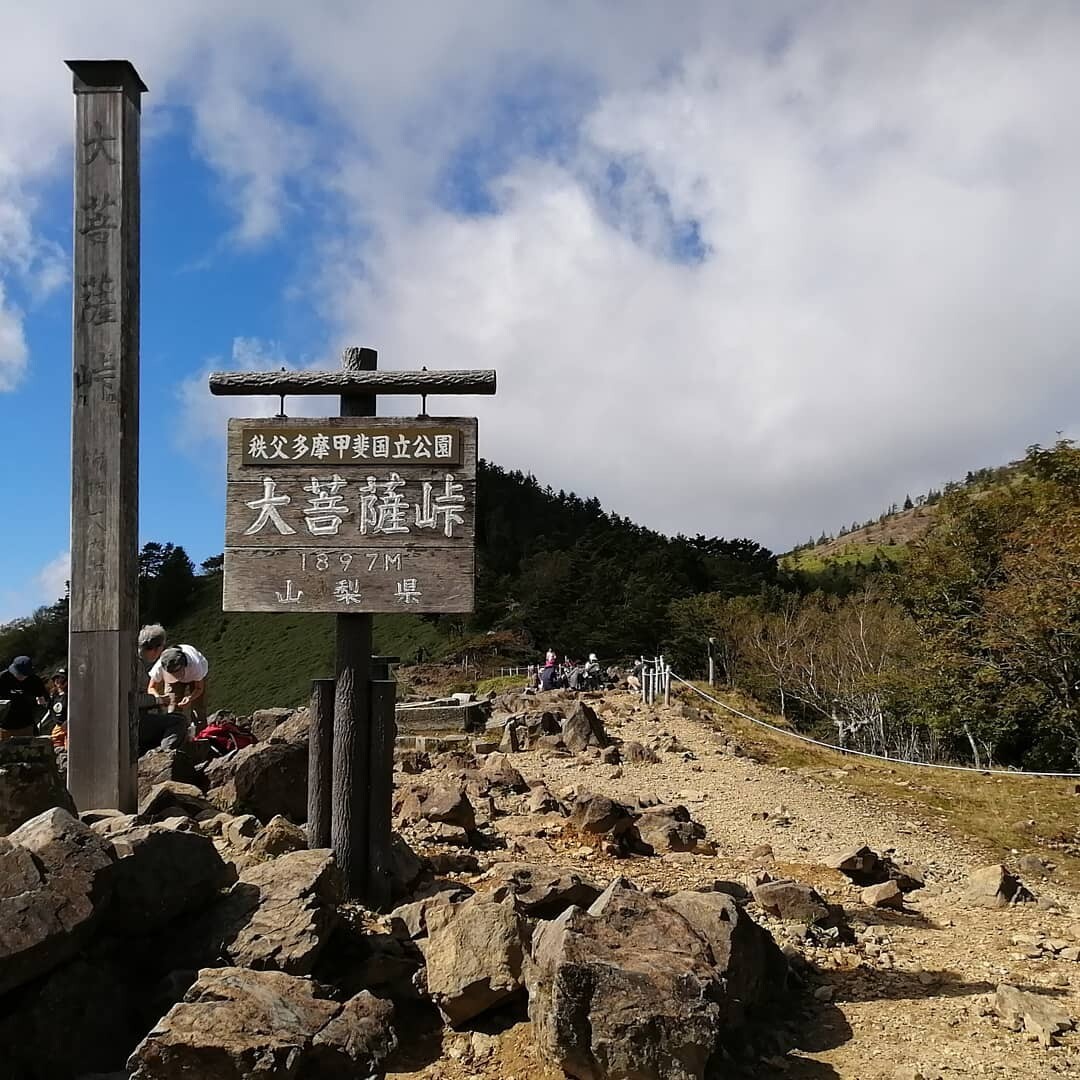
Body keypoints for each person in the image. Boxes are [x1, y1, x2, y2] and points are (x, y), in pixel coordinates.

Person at [143, 644, 209, 752]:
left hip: (196, 677)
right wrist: (159, 698)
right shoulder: (161, 665)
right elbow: (151, 688)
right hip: (176, 677)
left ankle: (201, 743)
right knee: (172, 710)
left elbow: (199, 688)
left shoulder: (196, 665)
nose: (176, 677)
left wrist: (190, 698)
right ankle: (175, 746)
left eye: (177, 674)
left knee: (198, 710)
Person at [0, 657, 49, 739]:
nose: (19, 677)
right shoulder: (2, 678)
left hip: (26, 726)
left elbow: (43, 698)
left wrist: (42, 700)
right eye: (17, 673)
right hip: (4, 727)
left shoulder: (35, 680)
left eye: (23, 674)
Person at [47, 668, 68, 748]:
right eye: (57, 678)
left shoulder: (70, 695)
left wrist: (67, 722)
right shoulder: (53, 695)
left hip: (68, 726)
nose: (59, 681)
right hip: (58, 726)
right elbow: (50, 710)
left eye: (62, 678)